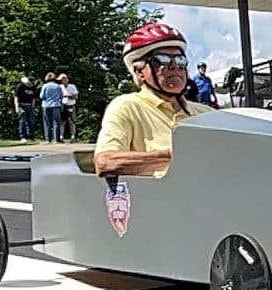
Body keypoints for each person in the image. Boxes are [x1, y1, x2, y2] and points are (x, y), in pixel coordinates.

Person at [94, 23, 213, 178]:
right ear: (139, 72)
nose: (174, 66)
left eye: (180, 60)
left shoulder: (206, 113)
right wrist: (179, 157)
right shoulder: (127, 106)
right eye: (162, 60)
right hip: (159, 198)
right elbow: (105, 162)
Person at [39, 72, 64, 143]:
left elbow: (41, 96)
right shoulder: (58, 86)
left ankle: (48, 139)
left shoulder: (44, 86)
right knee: (56, 122)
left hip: (46, 105)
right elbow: (61, 96)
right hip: (56, 105)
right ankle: (56, 139)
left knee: (47, 122)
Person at [14, 76, 37, 142]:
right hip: (21, 105)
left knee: (30, 121)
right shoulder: (20, 86)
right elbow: (16, 97)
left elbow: (33, 97)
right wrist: (16, 107)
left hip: (29, 105)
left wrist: (33, 106)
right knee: (22, 121)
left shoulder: (33, 87)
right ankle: (23, 137)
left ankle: (31, 136)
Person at [58, 73, 79, 142]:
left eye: (62, 80)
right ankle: (61, 136)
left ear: (66, 79)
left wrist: (68, 96)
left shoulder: (72, 86)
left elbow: (76, 97)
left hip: (71, 105)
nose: (61, 81)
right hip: (63, 105)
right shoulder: (60, 87)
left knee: (72, 121)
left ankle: (73, 136)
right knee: (62, 121)